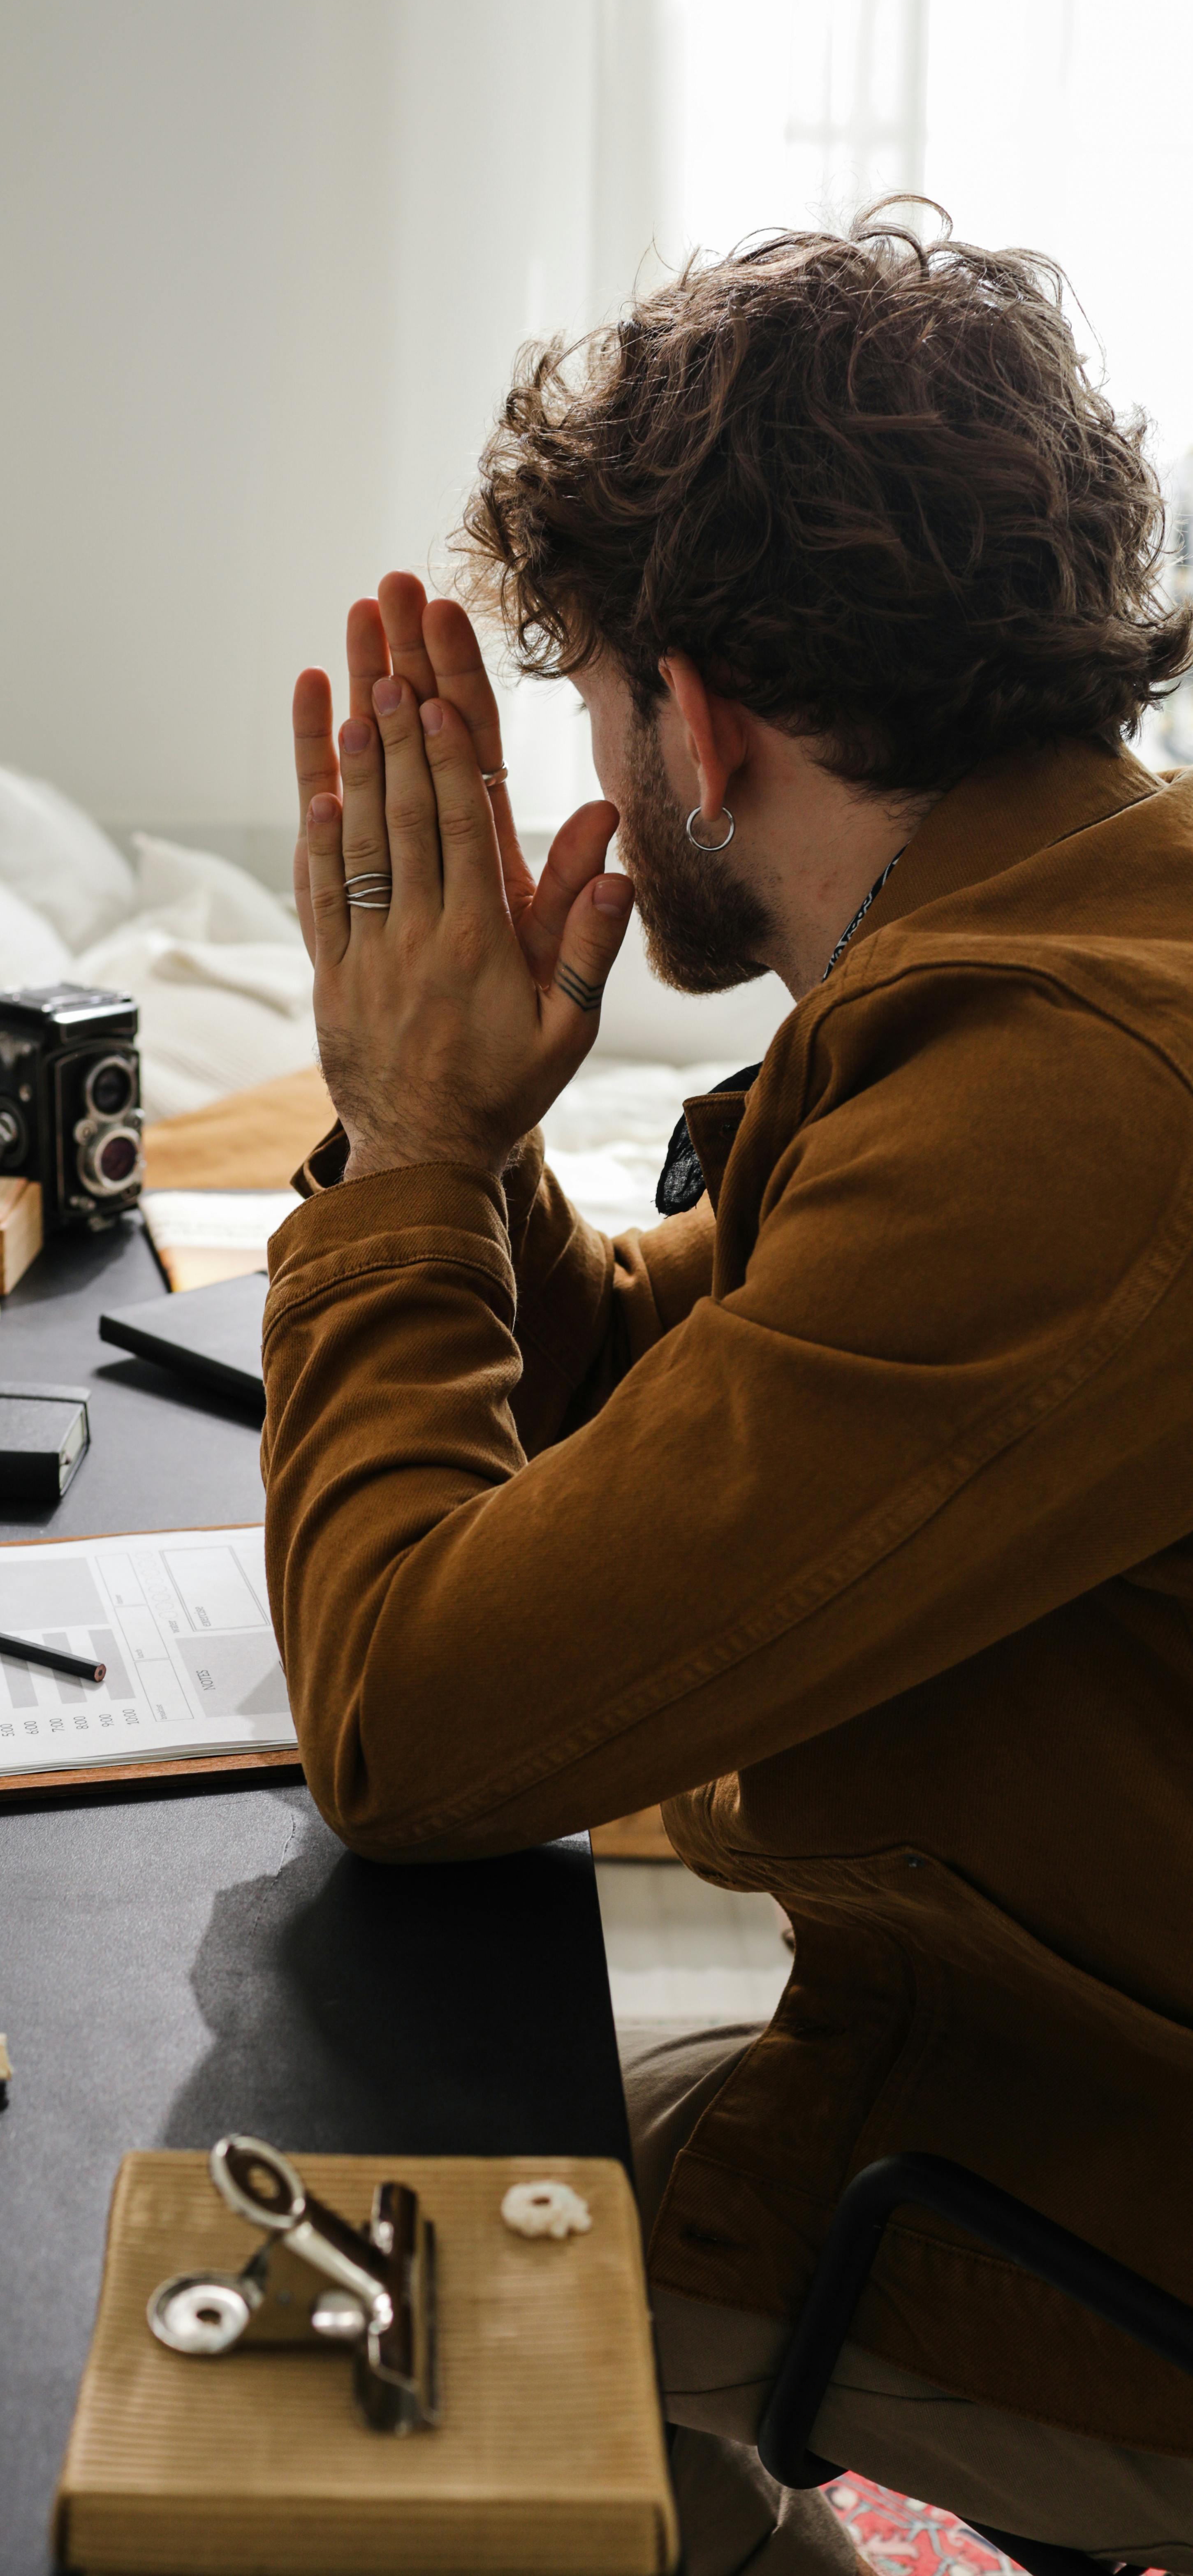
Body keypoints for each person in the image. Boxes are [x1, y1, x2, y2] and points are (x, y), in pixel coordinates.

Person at [263, 206, 1193, 2573]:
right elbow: (722, 1373)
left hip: (1101, 2197)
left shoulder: (1063, 1104)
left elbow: (409, 1730)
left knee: (341, 2368)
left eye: (578, 693)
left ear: (693, 719)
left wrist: (407, 1149)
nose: (589, 758)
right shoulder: (1072, 936)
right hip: (1020, 2072)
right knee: (428, 2198)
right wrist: (465, 1149)